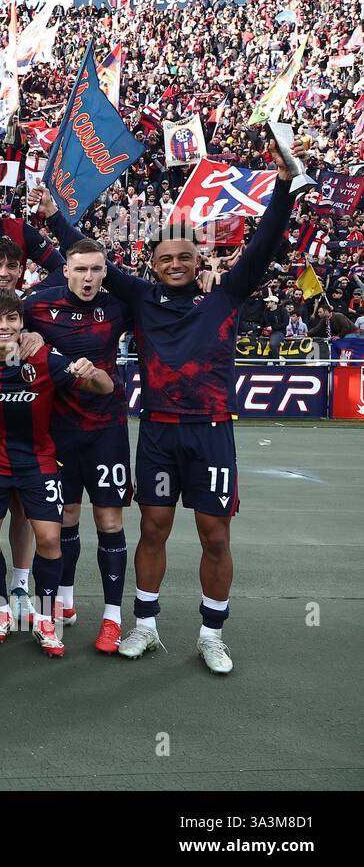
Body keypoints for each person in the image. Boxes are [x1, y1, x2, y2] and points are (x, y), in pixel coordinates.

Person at [92, 139, 302, 674]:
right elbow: (88, 261)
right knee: (153, 528)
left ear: (200, 260)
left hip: (210, 433)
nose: (177, 263)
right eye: (166, 258)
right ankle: (145, 627)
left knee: (215, 534)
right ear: (153, 265)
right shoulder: (139, 298)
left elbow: (266, 244)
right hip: (158, 433)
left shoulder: (225, 298)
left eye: (186, 256)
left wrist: (282, 186)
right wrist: (52, 219)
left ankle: (212, 635)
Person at [0, 289, 113, 656]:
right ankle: (2, 609)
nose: (3, 327)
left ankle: (46, 617)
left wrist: (95, 372)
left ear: (22, 323)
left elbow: (105, 387)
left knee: (51, 540)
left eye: (11, 319)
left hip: (38, 463)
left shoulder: (42, 356)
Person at [23, 238, 134, 653]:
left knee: (110, 521)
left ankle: (112, 618)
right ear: (65, 271)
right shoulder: (37, 305)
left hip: (107, 428)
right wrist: (26, 335)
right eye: (80, 269)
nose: (88, 277)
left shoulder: (120, 306)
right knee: (66, 517)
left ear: (105, 272)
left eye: (96, 270)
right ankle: (64, 603)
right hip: (59, 430)